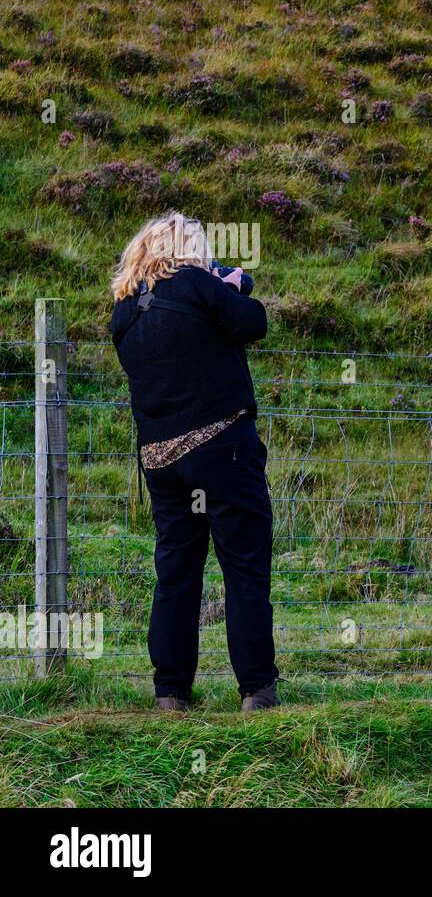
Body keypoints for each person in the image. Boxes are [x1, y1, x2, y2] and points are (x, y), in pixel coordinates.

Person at [109, 213, 281, 712]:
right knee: (244, 567)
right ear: (188, 251)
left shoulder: (126, 311)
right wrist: (230, 282)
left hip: (160, 460)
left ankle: (170, 692)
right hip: (221, 446)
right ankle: (256, 689)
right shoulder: (196, 286)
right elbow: (254, 321)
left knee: (177, 572)